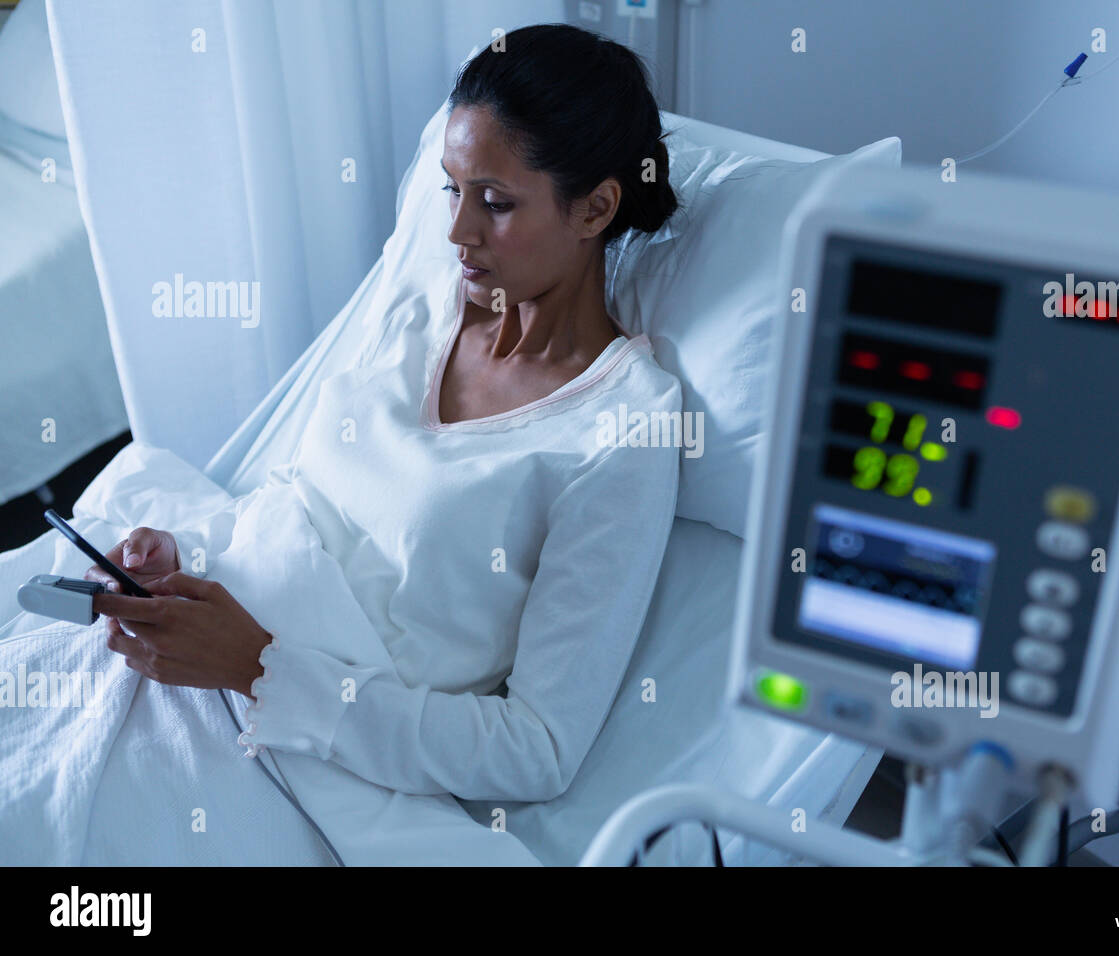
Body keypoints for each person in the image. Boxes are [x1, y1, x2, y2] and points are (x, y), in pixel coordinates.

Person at [41, 23, 682, 863]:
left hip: (292, 747)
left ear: (595, 207)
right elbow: (298, 505)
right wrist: (182, 564)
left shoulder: (622, 430)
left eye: (494, 203)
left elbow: (536, 749)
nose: (456, 232)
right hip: (197, 643)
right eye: (450, 190)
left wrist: (258, 667)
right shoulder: (421, 308)